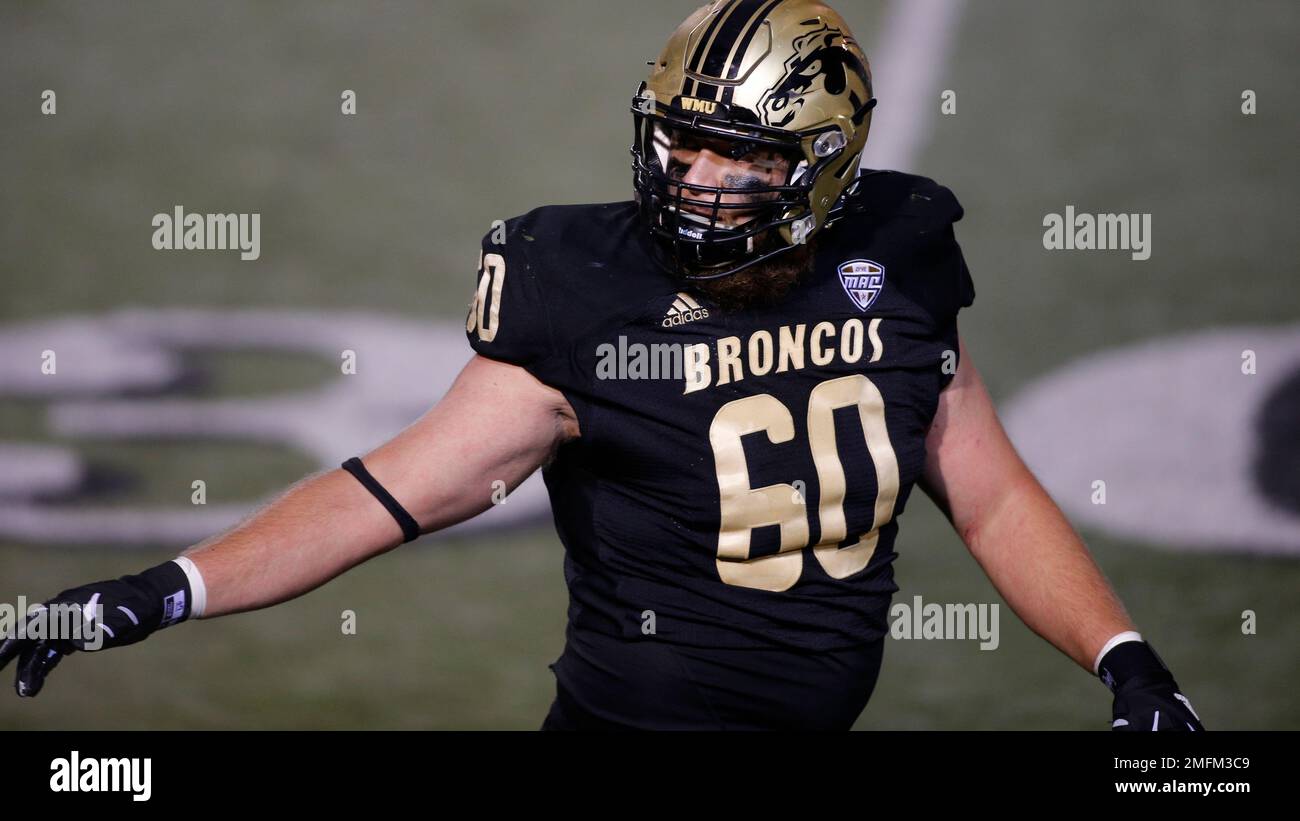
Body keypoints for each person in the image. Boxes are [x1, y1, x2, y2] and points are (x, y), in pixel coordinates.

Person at [1, 0, 1202, 731]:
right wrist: (161, 588)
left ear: (819, 168)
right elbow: (395, 489)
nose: (690, 169)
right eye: (677, 134)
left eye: (732, 150)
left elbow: (984, 488)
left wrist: (1123, 657)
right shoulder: (579, 287)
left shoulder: (900, 253)